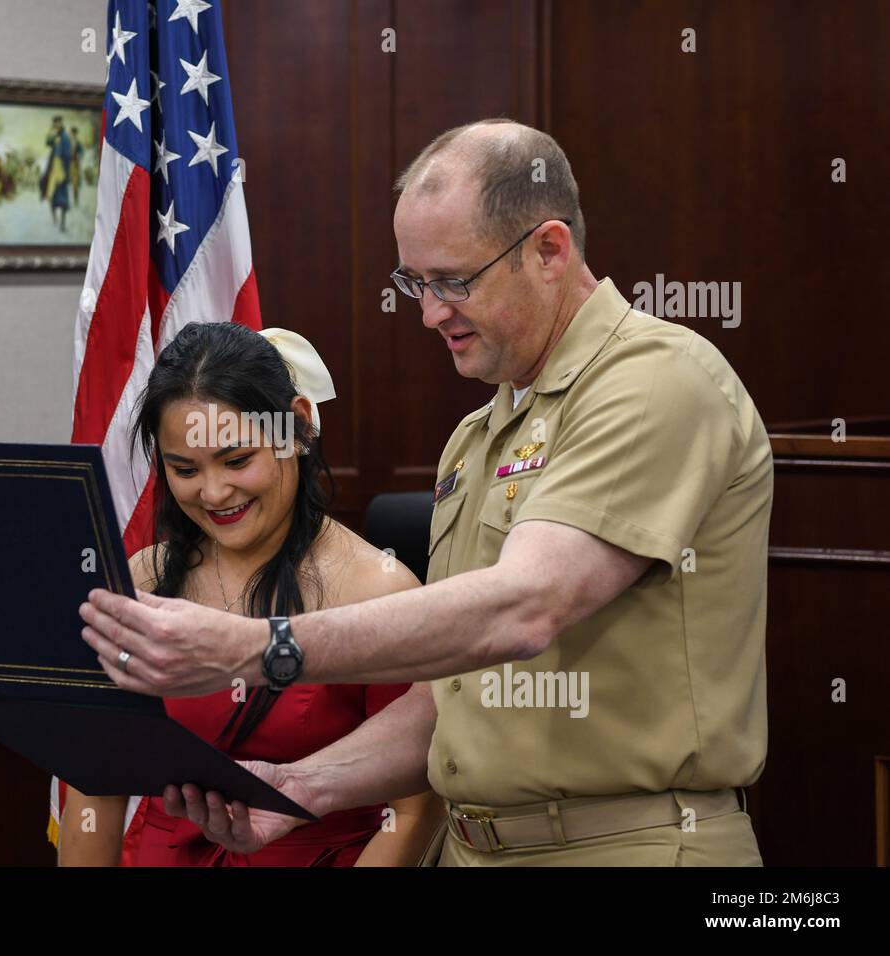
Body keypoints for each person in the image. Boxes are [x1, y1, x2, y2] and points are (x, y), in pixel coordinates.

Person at [78, 119, 773, 866]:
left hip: (623, 845)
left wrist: (256, 647)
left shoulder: (655, 379)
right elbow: (455, 694)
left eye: (453, 281)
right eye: (415, 282)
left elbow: (527, 605)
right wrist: (297, 790)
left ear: (548, 250)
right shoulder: (478, 435)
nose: (429, 311)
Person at [58, 321, 445, 866]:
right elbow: (95, 787)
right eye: (184, 469)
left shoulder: (377, 586)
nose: (213, 493)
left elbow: (412, 812)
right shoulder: (141, 580)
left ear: (299, 429)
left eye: (238, 461)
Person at [41, 116, 72, 232]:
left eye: (58, 123)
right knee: (51, 195)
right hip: (52, 169)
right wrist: (51, 132)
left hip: (62, 170)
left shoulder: (65, 137)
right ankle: (55, 220)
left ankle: (63, 224)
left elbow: (68, 155)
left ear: (61, 123)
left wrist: (66, 172)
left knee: (63, 199)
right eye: (54, 123)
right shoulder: (55, 136)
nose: (56, 125)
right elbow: (47, 143)